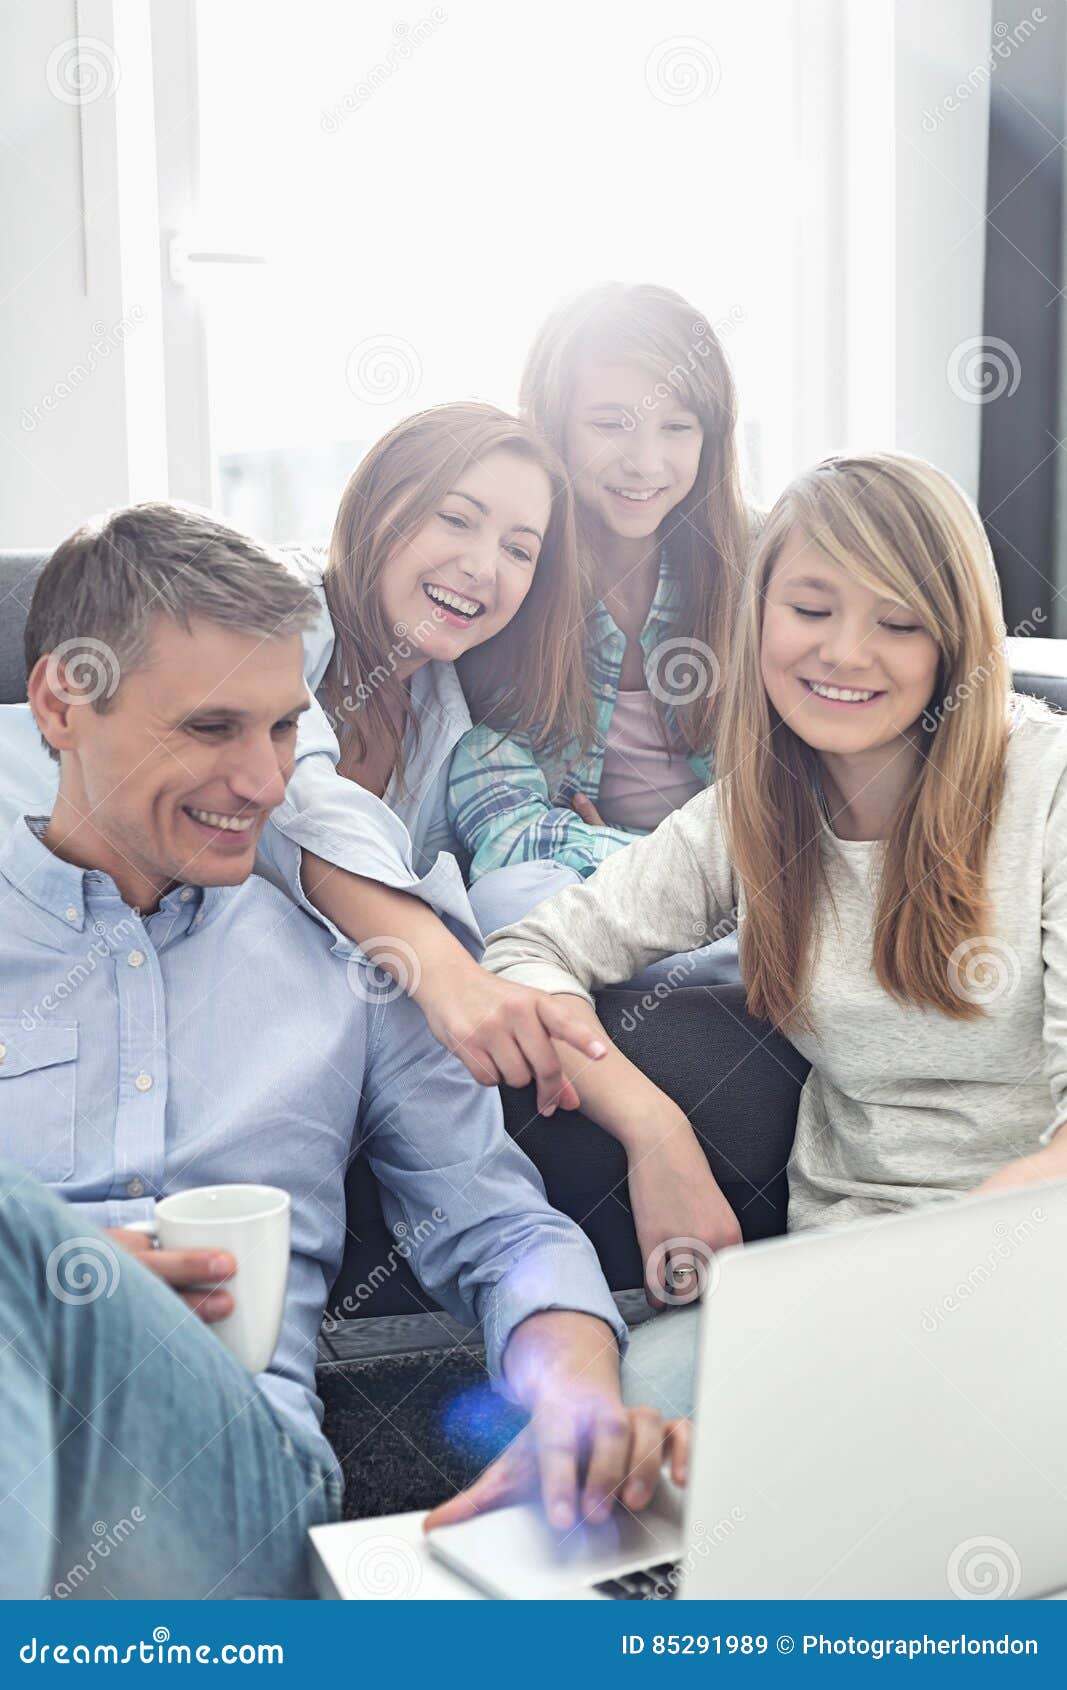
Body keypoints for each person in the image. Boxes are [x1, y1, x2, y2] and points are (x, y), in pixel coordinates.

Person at [0, 504, 687, 1599]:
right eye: (212, 728)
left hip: (222, 1489)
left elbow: (499, 1227)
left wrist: (576, 1399)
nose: (268, 786)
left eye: (283, 729)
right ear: (60, 703)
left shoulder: (350, 963)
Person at [478, 451, 1067, 1400]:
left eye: (898, 622)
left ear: (954, 642)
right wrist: (655, 1134)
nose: (841, 653)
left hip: (1030, 1279)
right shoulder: (749, 812)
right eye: (809, 608)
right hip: (841, 1280)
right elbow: (527, 953)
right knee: (653, 1404)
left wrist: (938, 1301)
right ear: (759, 616)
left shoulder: (1048, 788)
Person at [0, 403, 608, 1117]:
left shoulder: (450, 729)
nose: (481, 567)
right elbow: (297, 804)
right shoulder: (281, 608)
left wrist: (576, 848)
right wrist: (443, 975)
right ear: (379, 505)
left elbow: (442, 897)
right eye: (455, 518)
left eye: (519, 550)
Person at [449, 283, 752, 987]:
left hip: (748, 888)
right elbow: (505, 833)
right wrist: (665, 863)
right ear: (553, 427)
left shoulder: (757, 563)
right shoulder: (509, 575)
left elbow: (807, 800)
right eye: (611, 424)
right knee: (499, 902)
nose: (644, 461)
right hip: (596, 893)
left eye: (676, 428)